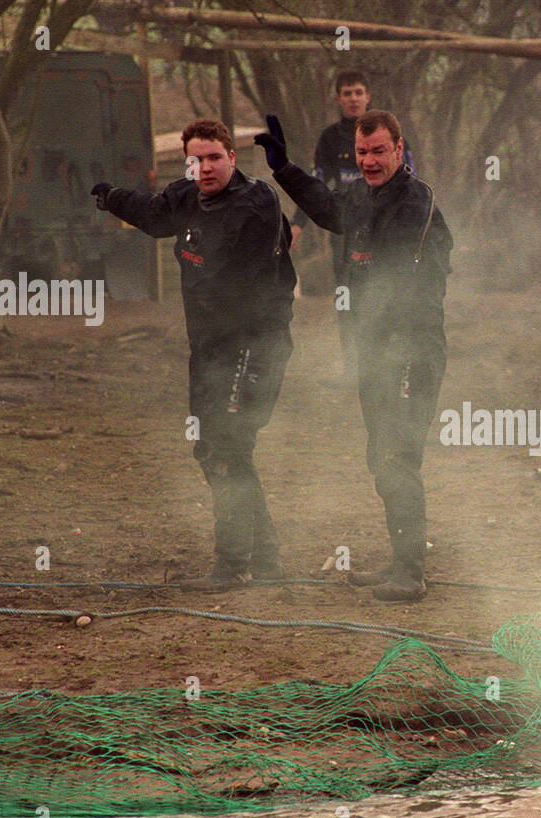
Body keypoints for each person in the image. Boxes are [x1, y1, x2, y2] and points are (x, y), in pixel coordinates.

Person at [91, 119, 295, 592]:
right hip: (208, 350)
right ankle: (265, 557)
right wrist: (113, 197)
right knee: (211, 450)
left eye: (213, 158)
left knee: (229, 447)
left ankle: (233, 564)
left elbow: (260, 283)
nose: (204, 168)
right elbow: (157, 214)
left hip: (255, 346)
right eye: (195, 159)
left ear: (232, 157)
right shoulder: (185, 196)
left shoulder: (257, 204)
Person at [256, 110, 451, 602]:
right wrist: (284, 170)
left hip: (411, 349)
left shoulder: (414, 201)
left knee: (396, 456)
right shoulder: (364, 196)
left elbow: (394, 275)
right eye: (361, 153)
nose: (368, 161)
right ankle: (401, 559)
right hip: (375, 350)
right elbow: (327, 206)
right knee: (380, 455)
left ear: (399, 149)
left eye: (378, 151)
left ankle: (410, 572)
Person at [290, 70, 415, 378]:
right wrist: (298, 223)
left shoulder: (390, 134)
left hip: (385, 231)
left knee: (387, 292)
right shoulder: (330, 138)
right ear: (338, 99)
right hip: (346, 233)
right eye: (347, 93)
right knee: (347, 297)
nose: (354, 98)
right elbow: (316, 185)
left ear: (368, 96)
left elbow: (410, 180)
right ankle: (352, 369)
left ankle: (390, 367)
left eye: (359, 92)